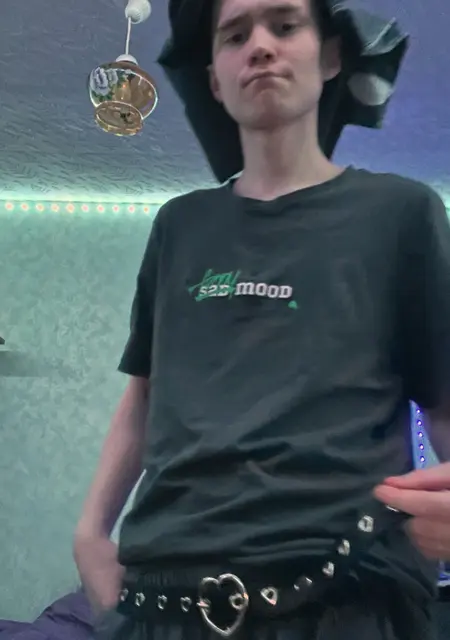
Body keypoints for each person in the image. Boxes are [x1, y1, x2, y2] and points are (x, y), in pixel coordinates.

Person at [74, 0, 450, 638]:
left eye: (285, 24)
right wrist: (90, 531)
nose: (260, 46)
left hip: (345, 596)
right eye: (235, 35)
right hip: (163, 600)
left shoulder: (402, 213)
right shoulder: (179, 225)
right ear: (215, 81)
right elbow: (145, 392)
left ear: (331, 56)